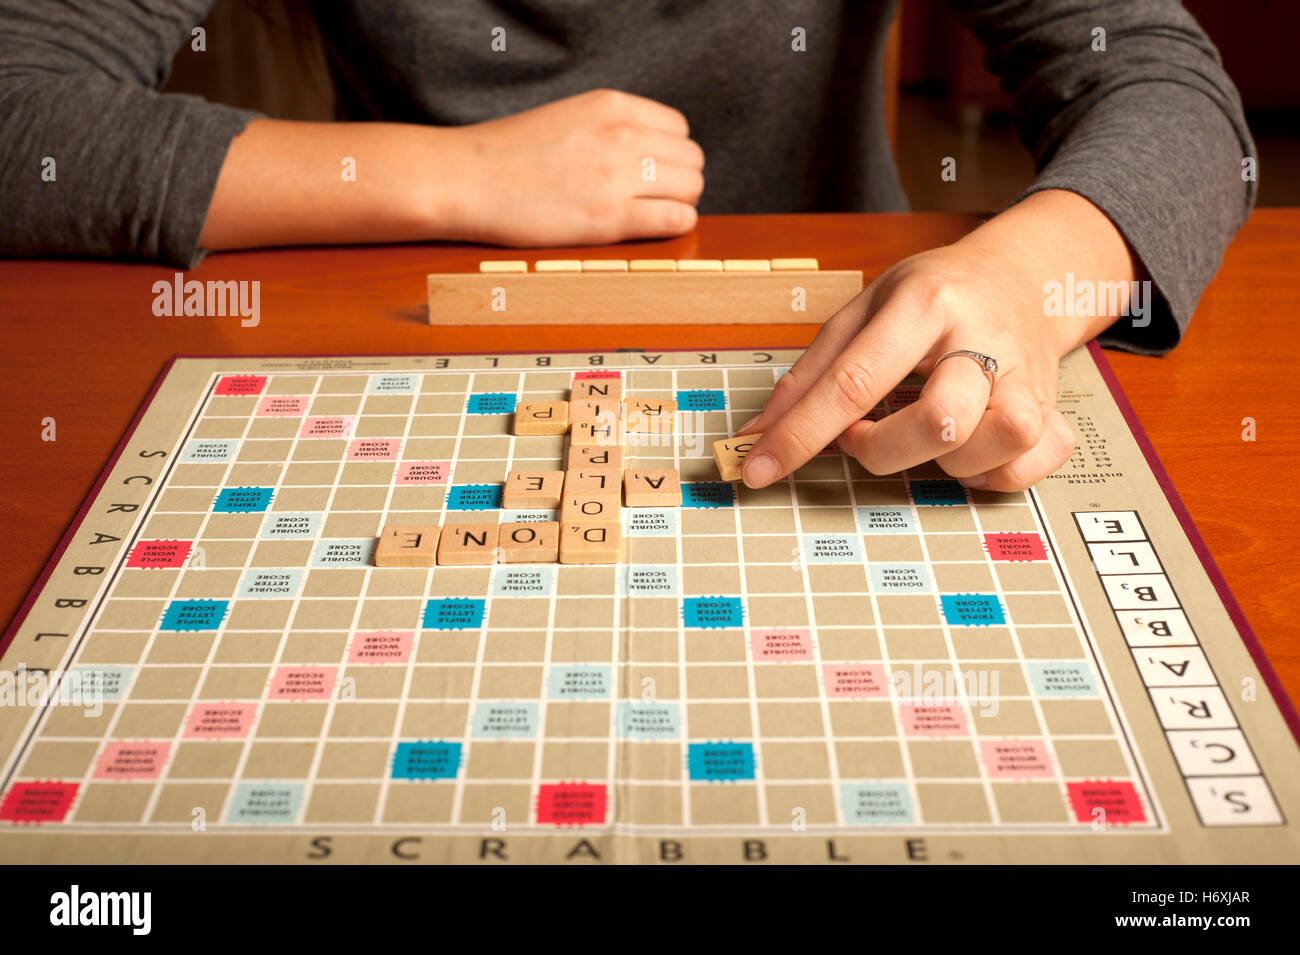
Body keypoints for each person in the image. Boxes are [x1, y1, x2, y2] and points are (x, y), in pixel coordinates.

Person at [0, 1, 1254, 492]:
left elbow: (1161, 86)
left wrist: (1019, 282)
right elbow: (18, 98)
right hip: (407, 342)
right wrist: (457, 172)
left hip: (830, 345)